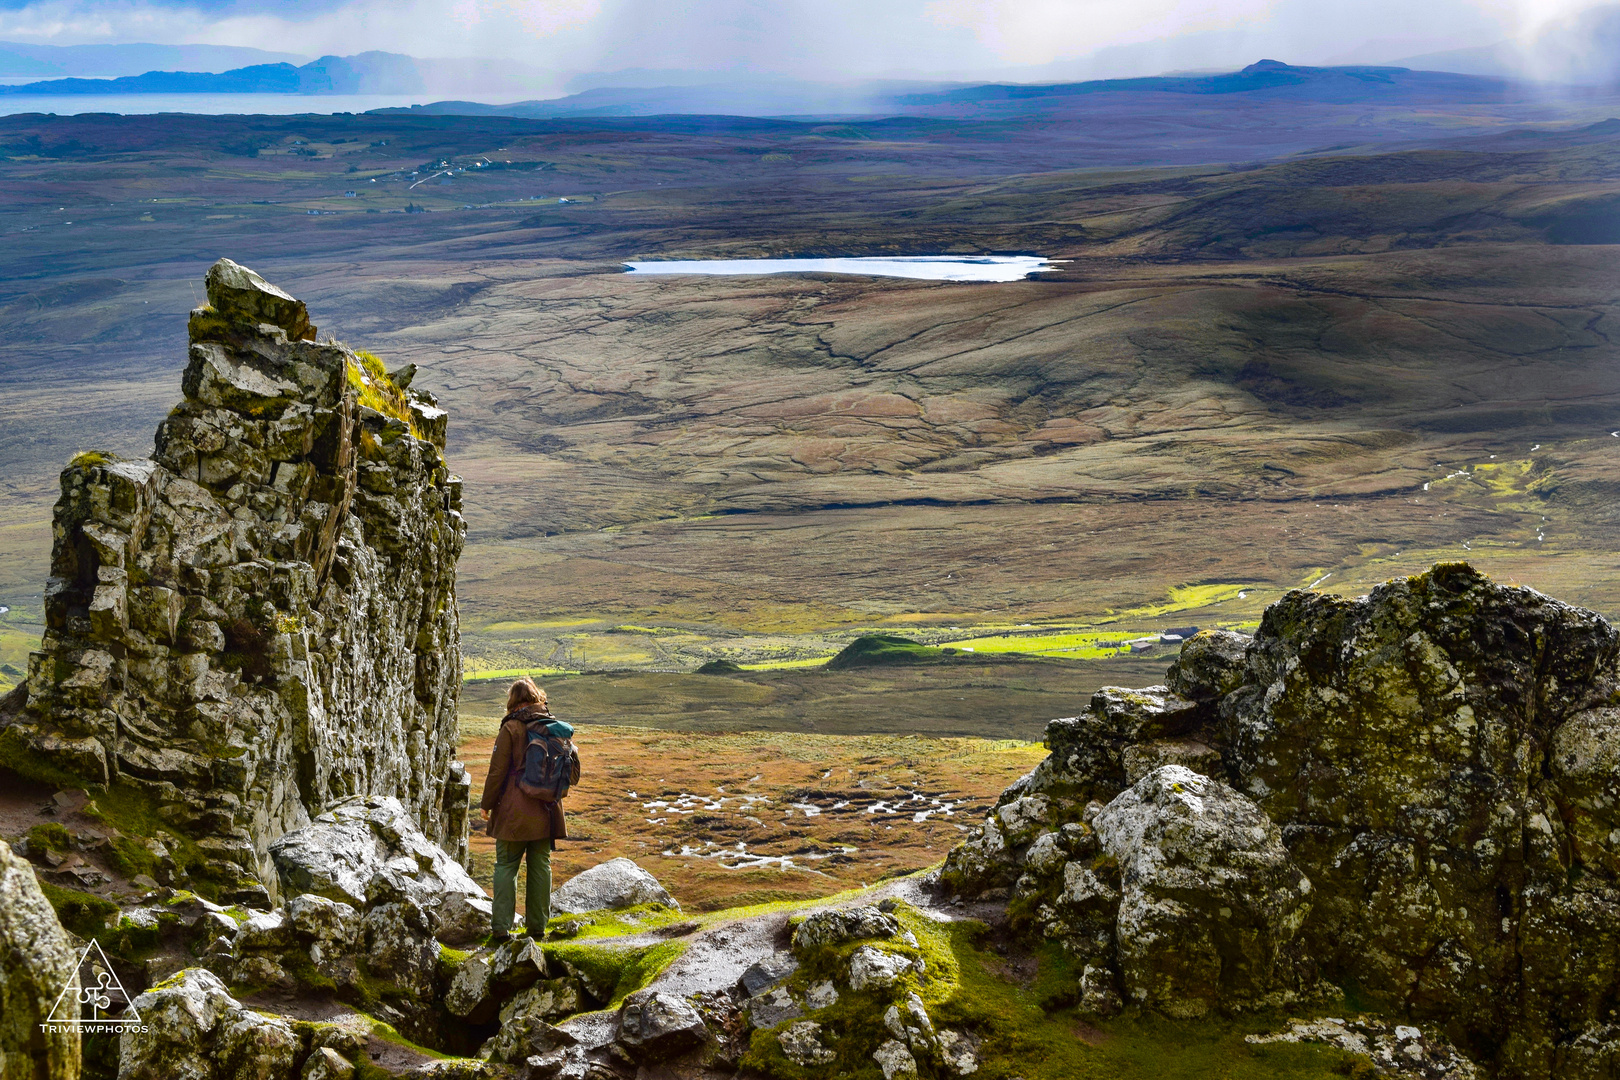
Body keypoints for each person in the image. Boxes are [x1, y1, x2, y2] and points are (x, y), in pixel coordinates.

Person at [479, 677, 577, 941]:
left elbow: (497, 772)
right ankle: (537, 928)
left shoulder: (511, 727)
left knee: (506, 866)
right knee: (540, 865)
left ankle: (501, 929)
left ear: (513, 700)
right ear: (536, 697)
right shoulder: (551, 725)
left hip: (514, 811)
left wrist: (486, 805)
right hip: (547, 809)